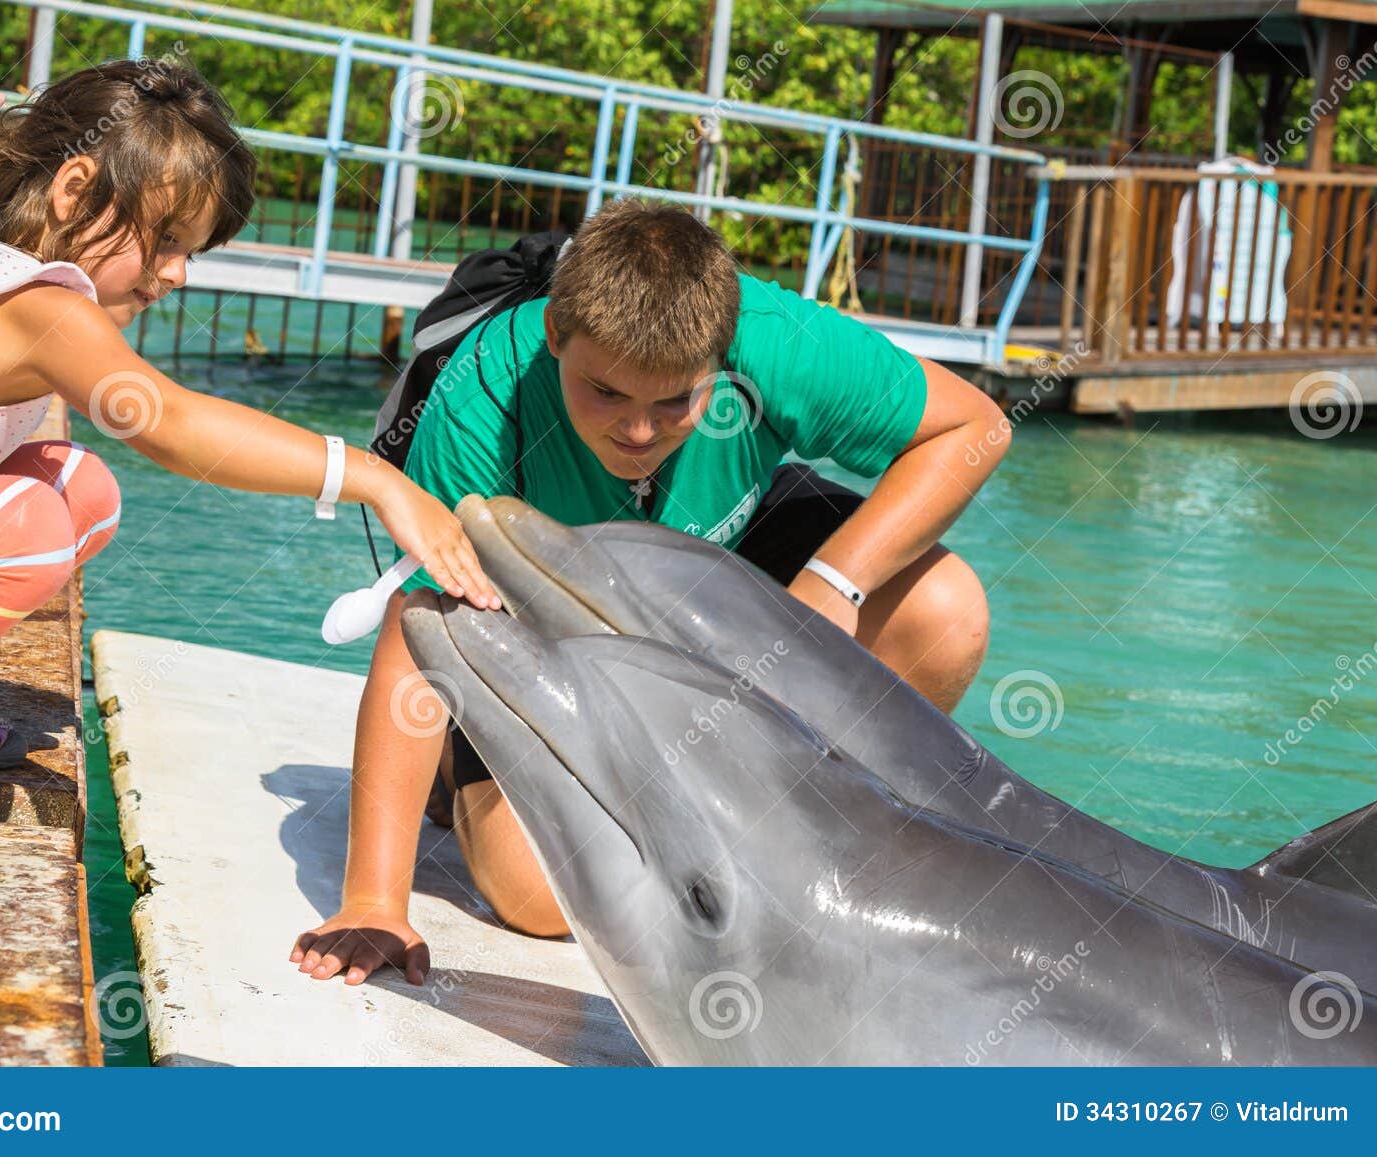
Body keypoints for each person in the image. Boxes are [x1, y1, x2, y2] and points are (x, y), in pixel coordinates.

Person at [0, 58, 498, 860]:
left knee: (79, 487)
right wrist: (375, 477)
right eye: (168, 240)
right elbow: (175, 425)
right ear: (75, 191)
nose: (179, 273)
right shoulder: (39, 310)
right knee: (27, 526)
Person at [291, 198, 1010, 986]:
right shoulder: (478, 408)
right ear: (556, 336)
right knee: (539, 900)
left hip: (709, 558)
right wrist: (373, 897)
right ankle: (454, 782)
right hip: (535, 624)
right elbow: (416, 639)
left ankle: (821, 837)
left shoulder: (772, 340)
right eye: (606, 394)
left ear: (723, 357)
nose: (638, 434)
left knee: (943, 609)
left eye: (675, 402)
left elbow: (975, 426)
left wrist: (835, 582)